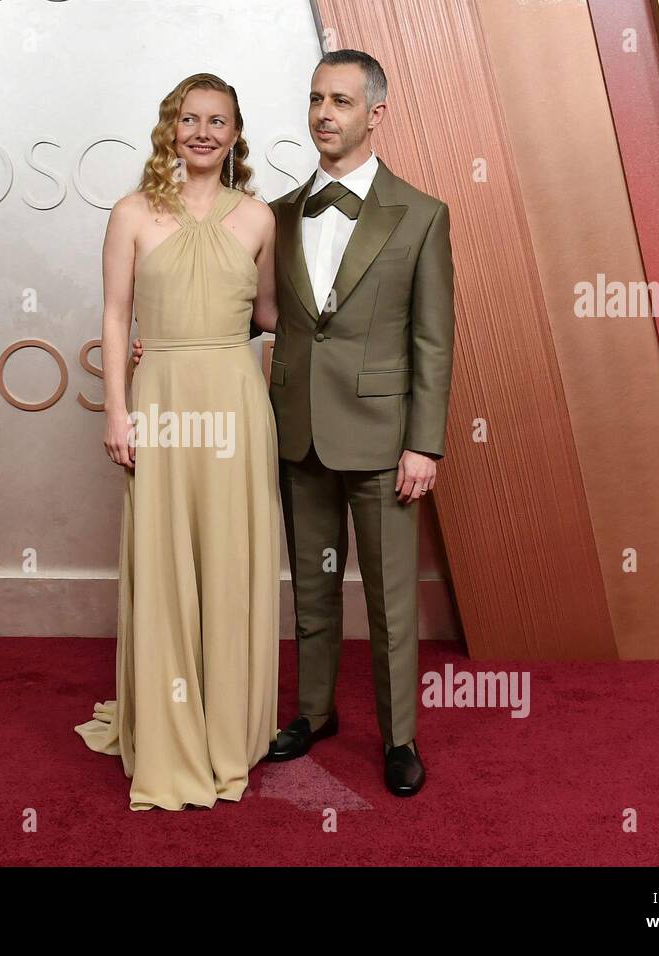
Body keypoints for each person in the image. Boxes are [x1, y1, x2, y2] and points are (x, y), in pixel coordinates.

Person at [133, 50, 455, 798]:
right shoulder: (270, 213)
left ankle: (399, 736)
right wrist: (160, 335)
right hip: (295, 427)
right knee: (312, 587)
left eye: (341, 101)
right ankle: (313, 714)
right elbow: (242, 310)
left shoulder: (423, 214)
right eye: (315, 98)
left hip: (383, 438)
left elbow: (433, 341)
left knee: (388, 598)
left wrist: (425, 442)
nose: (324, 114)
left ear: (375, 114)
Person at [74, 73, 282, 811]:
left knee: (229, 558)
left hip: (233, 400)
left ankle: (229, 730)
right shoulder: (132, 212)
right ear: (170, 128)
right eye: (189, 119)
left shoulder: (259, 219)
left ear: (234, 135)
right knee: (164, 560)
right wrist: (116, 410)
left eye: (216, 121)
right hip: (158, 398)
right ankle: (167, 728)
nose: (202, 131)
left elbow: (266, 316)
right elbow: (113, 316)